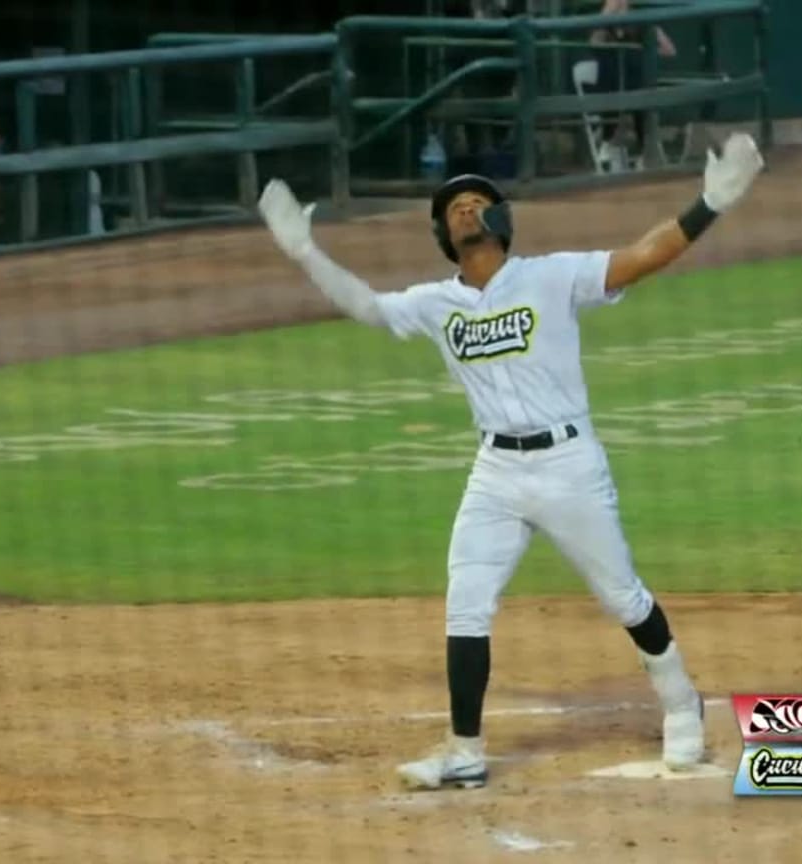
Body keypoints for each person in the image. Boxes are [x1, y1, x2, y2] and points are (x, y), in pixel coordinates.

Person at [257, 132, 766, 790]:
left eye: (476, 201)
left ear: (500, 218)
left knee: (622, 596)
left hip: (568, 464)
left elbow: (642, 256)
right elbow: (367, 308)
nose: (466, 210)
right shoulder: (436, 304)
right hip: (494, 473)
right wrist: (304, 250)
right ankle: (464, 750)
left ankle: (680, 702)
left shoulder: (551, 276)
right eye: (454, 208)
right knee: (465, 605)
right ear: (442, 234)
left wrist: (710, 203)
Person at [587, 0, 677, 172]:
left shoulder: (642, 23)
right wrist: (605, 16)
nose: (618, 4)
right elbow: (593, 43)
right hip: (613, 86)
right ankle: (607, 140)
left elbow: (669, 50)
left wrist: (649, 50)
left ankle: (642, 151)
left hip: (638, 84)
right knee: (611, 77)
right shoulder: (605, 28)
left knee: (639, 90)